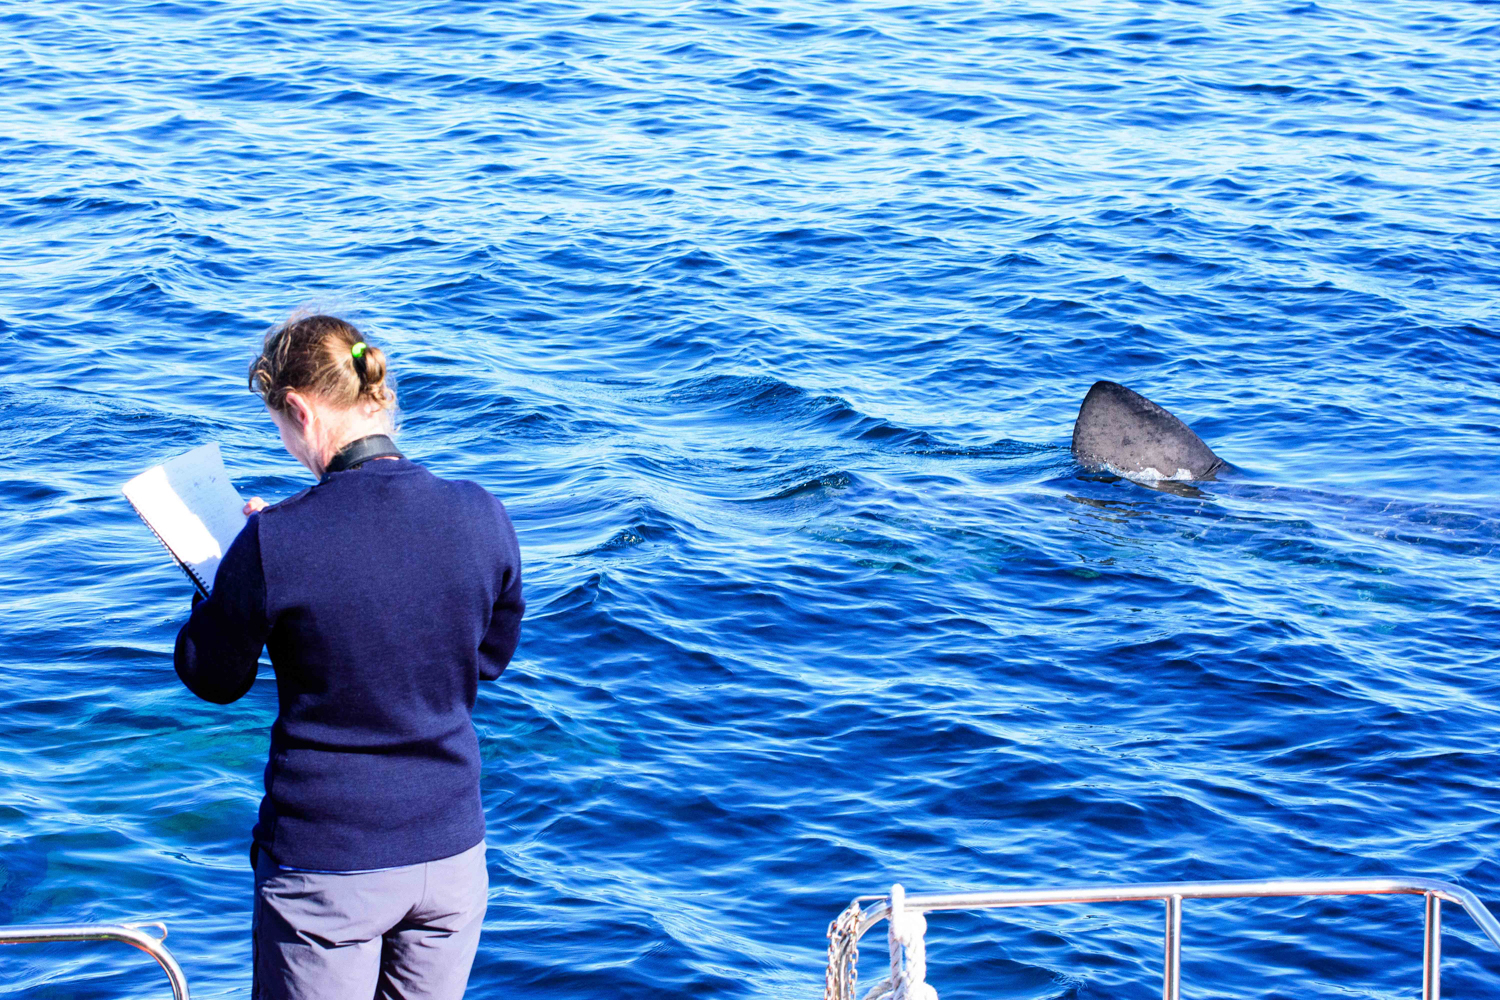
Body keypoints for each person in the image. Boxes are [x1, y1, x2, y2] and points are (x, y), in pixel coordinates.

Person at [174, 314, 524, 1000]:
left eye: (279, 424)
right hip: (452, 856)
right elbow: (488, 658)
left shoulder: (274, 543)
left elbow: (213, 676)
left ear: (299, 408)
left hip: (328, 865)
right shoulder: (483, 513)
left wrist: (221, 579)